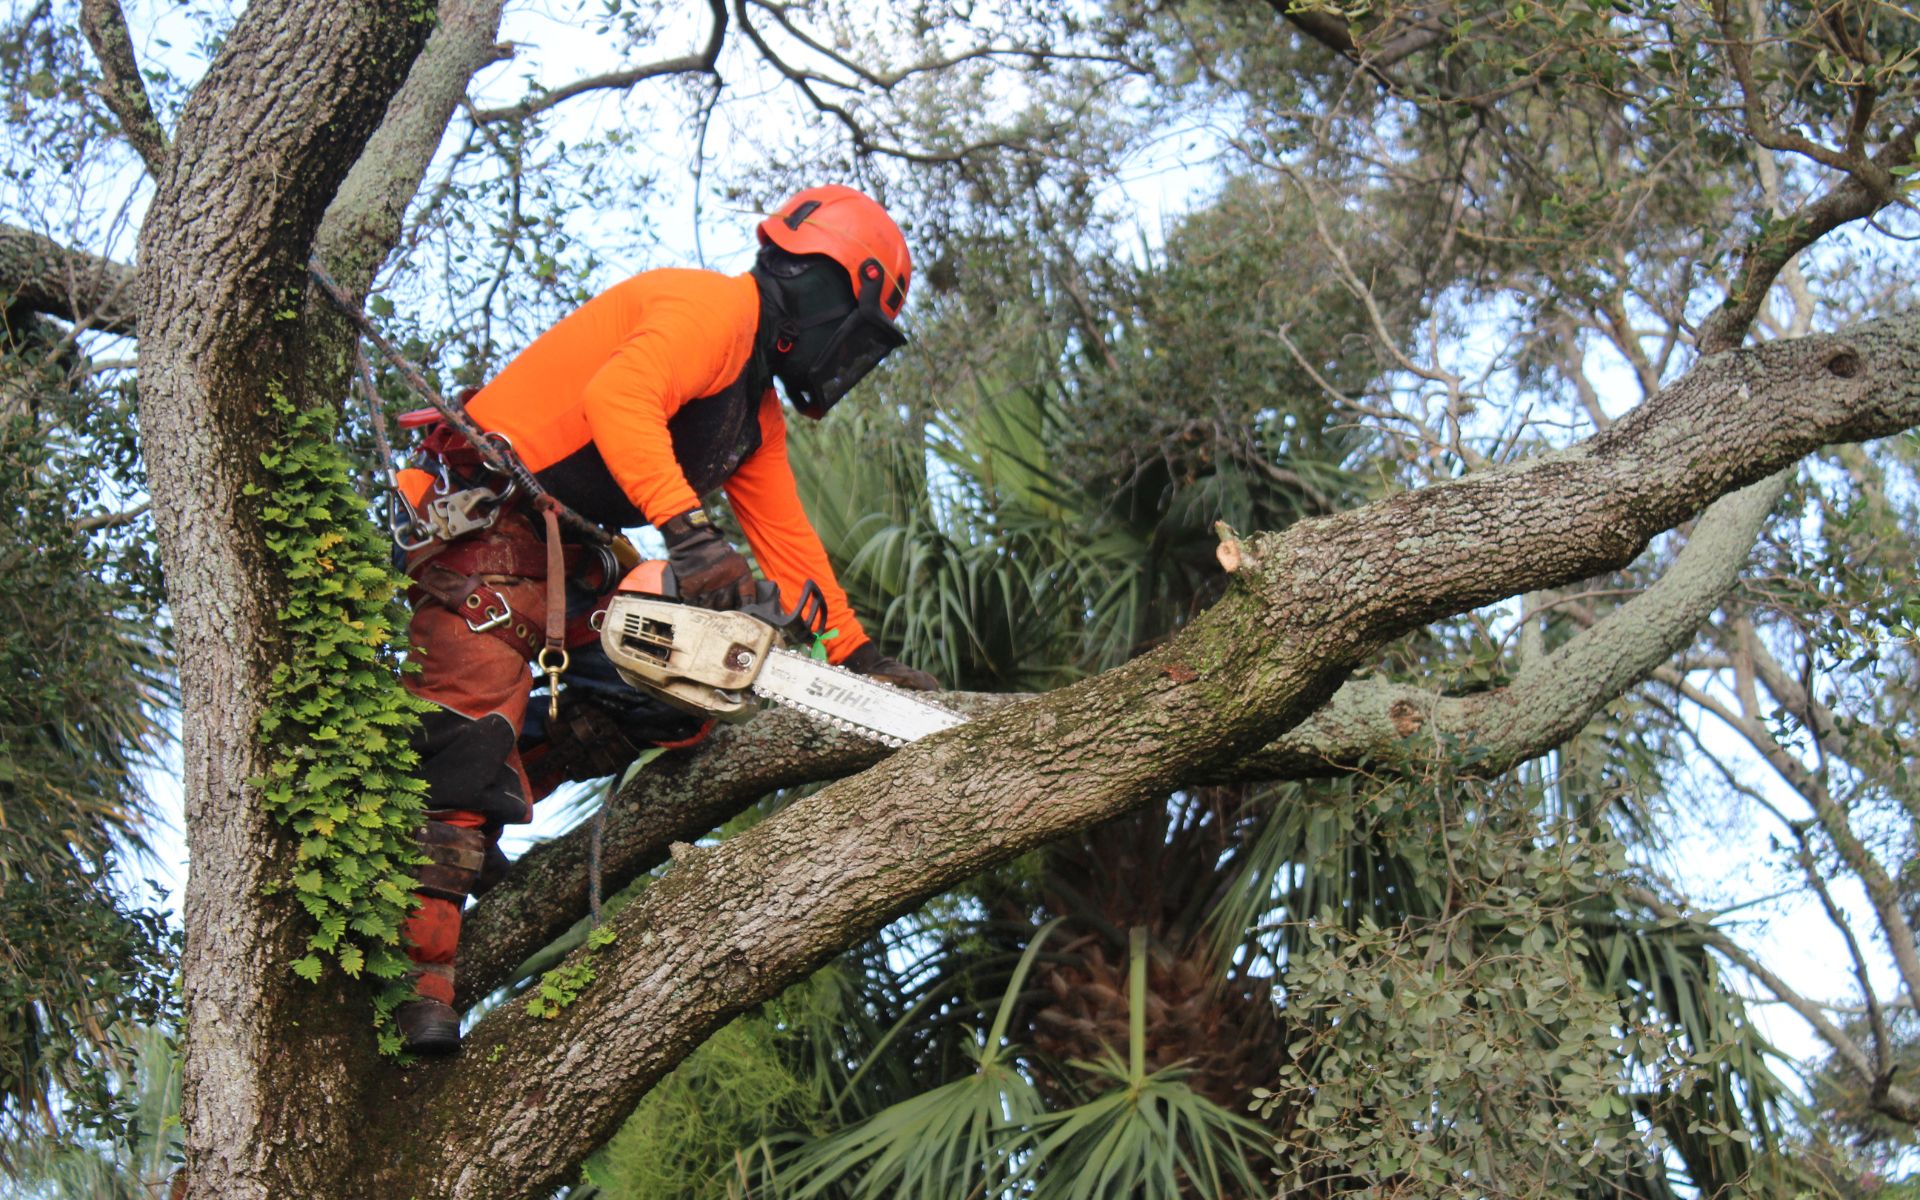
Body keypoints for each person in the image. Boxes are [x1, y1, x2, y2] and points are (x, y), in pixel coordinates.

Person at [391, 185, 937, 1054]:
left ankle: (510, 787)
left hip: (566, 556)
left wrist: (857, 654)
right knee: (460, 736)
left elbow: (789, 539)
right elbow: (619, 398)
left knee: (677, 671)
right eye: (860, 331)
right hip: (484, 526)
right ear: (831, 289)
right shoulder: (711, 309)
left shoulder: (754, 418)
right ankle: (417, 981)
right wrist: (688, 532)